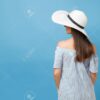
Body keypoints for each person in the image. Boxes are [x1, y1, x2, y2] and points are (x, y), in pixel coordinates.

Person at [51, 10, 99, 100]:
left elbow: (56, 73)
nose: (64, 25)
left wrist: (59, 89)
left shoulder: (61, 45)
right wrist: (86, 89)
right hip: (87, 94)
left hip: (66, 93)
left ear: (73, 27)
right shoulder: (92, 47)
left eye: (67, 23)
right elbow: (93, 74)